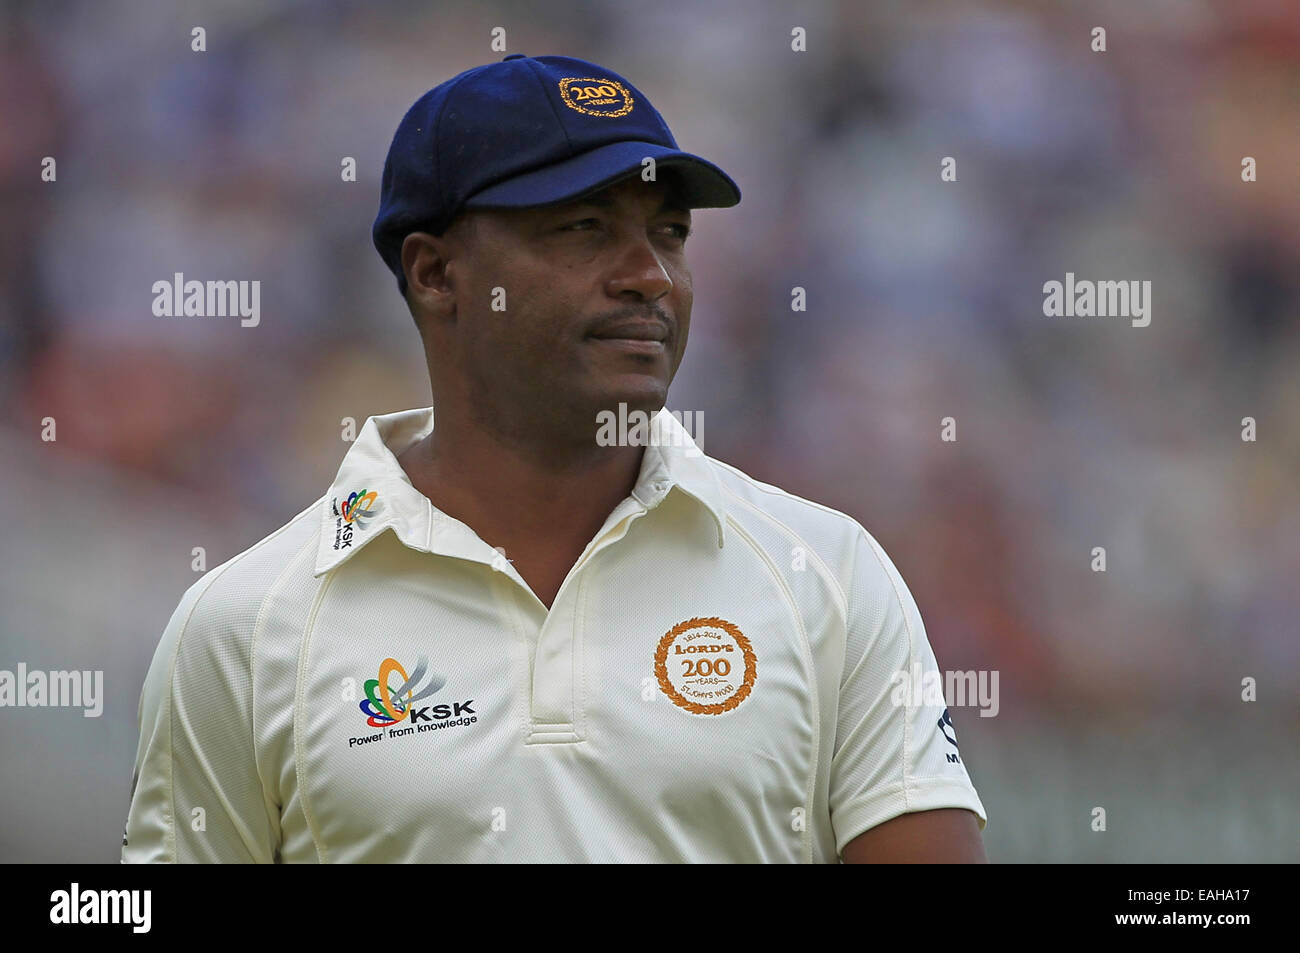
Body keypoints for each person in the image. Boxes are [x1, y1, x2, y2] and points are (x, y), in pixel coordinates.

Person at [122, 53, 987, 863]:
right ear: (435, 274)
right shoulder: (245, 627)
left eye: (670, 232)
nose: (650, 275)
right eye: (583, 227)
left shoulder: (829, 576)